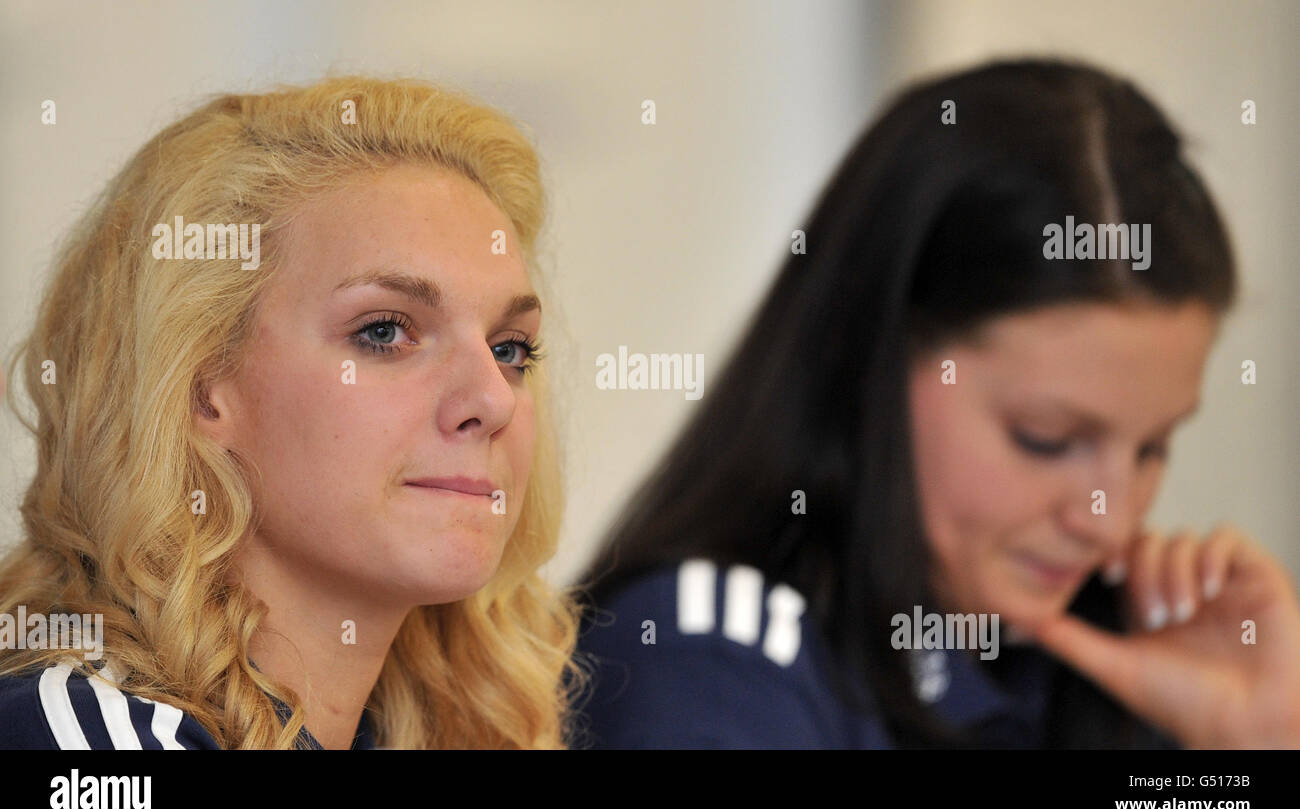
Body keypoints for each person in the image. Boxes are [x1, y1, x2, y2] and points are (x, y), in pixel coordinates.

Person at [573, 58, 1300, 749]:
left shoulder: (1124, 663)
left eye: (1153, 448)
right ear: (872, 364)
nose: (1109, 526)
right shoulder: (710, 657)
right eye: (1044, 437)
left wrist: (1251, 747)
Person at [0, 76, 583, 748]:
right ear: (196, 386)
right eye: (386, 331)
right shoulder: (85, 740)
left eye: (510, 349)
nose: (493, 398)